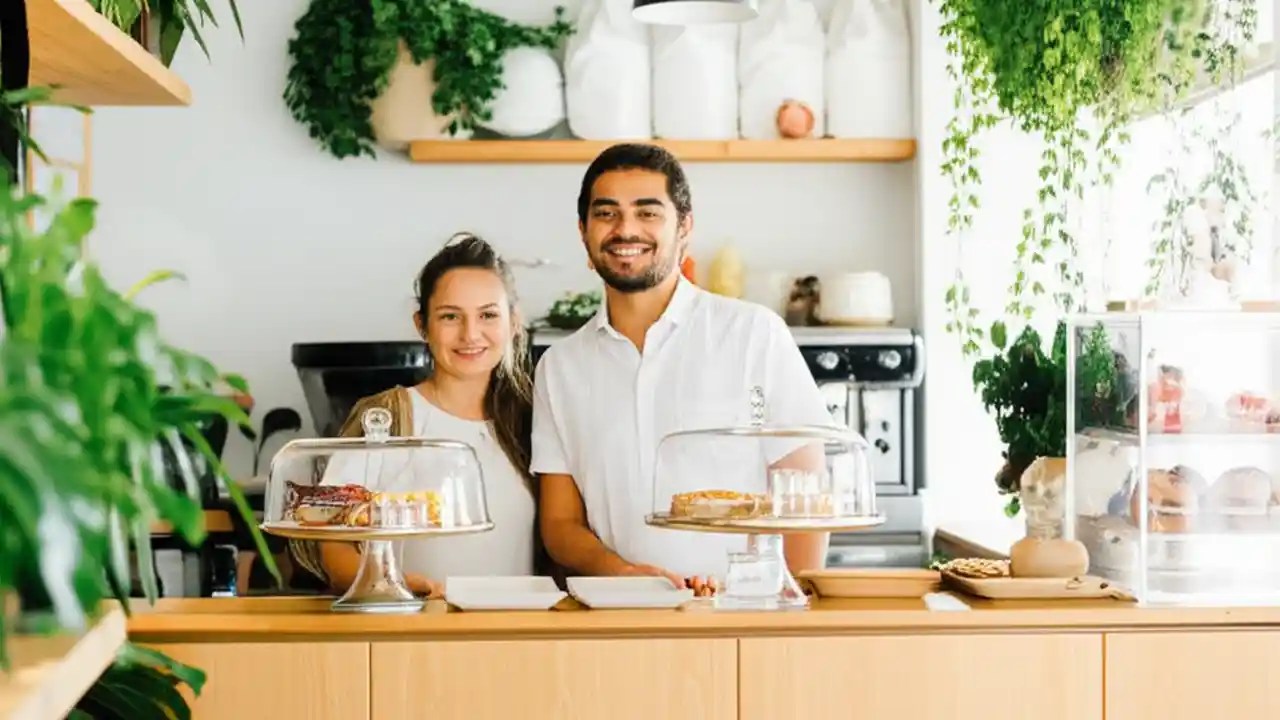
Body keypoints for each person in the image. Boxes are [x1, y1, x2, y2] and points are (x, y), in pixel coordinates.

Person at [531, 143, 834, 592]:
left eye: (648, 212)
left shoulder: (753, 335)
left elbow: (806, 495)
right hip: (616, 619)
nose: (626, 229)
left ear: (685, 227)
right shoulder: (559, 367)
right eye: (607, 213)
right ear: (584, 230)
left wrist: (795, 610)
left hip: (742, 619)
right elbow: (559, 523)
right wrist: (623, 575)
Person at [291, 233, 555, 596]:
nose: (470, 333)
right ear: (422, 325)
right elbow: (330, 542)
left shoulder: (536, 420)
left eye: (488, 315)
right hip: (414, 636)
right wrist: (387, 585)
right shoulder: (386, 416)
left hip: (514, 635)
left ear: (514, 323)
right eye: (450, 316)